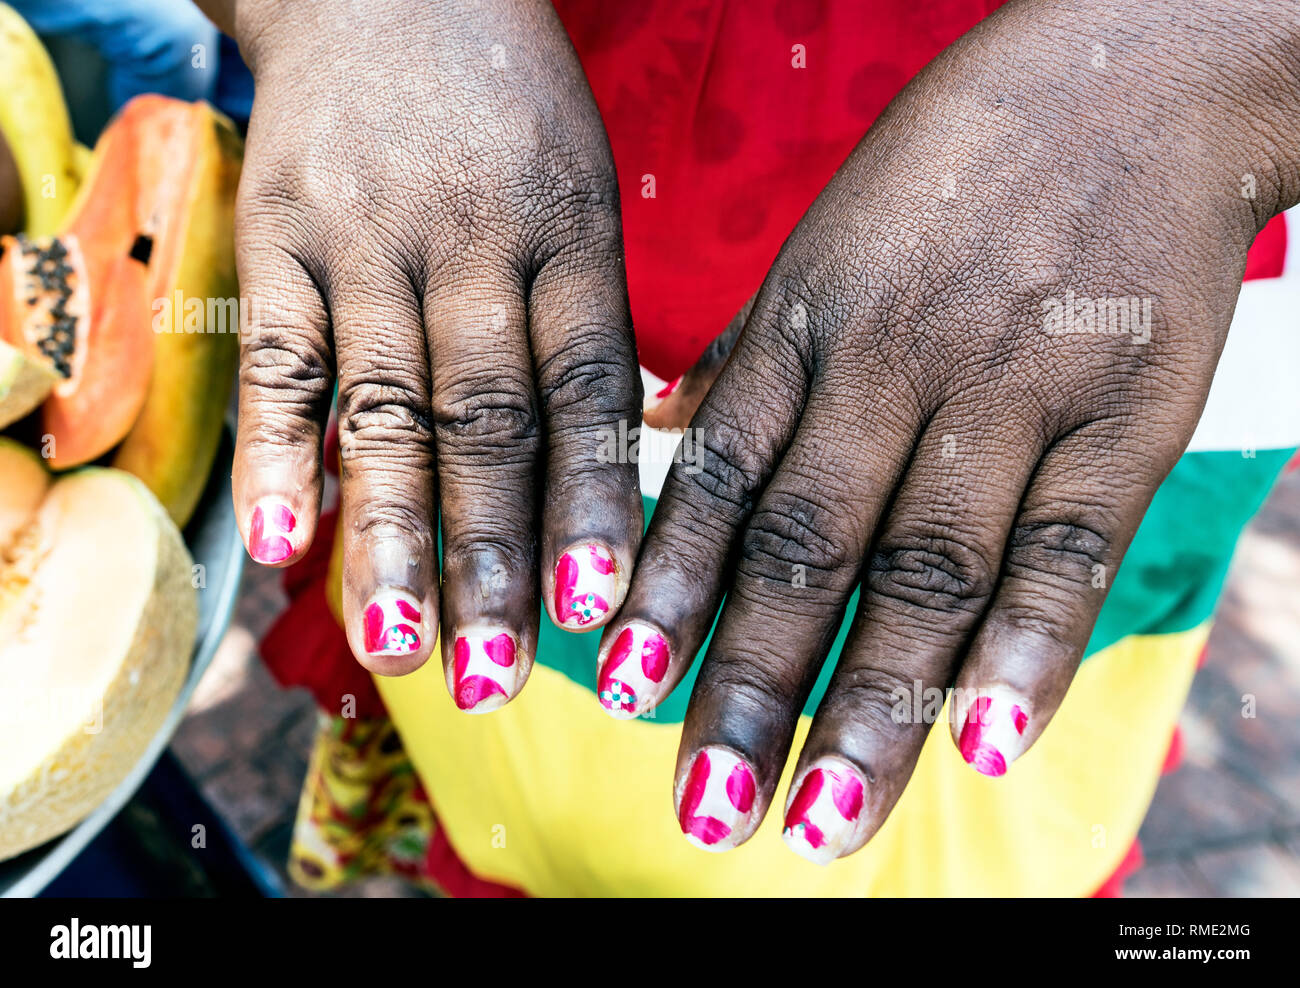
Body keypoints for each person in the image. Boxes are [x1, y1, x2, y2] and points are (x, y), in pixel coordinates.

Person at [187, 0, 1299, 894]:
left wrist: (1208, 66)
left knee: (974, 774)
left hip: (1088, 279)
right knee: (524, 730)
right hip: (476, 201)